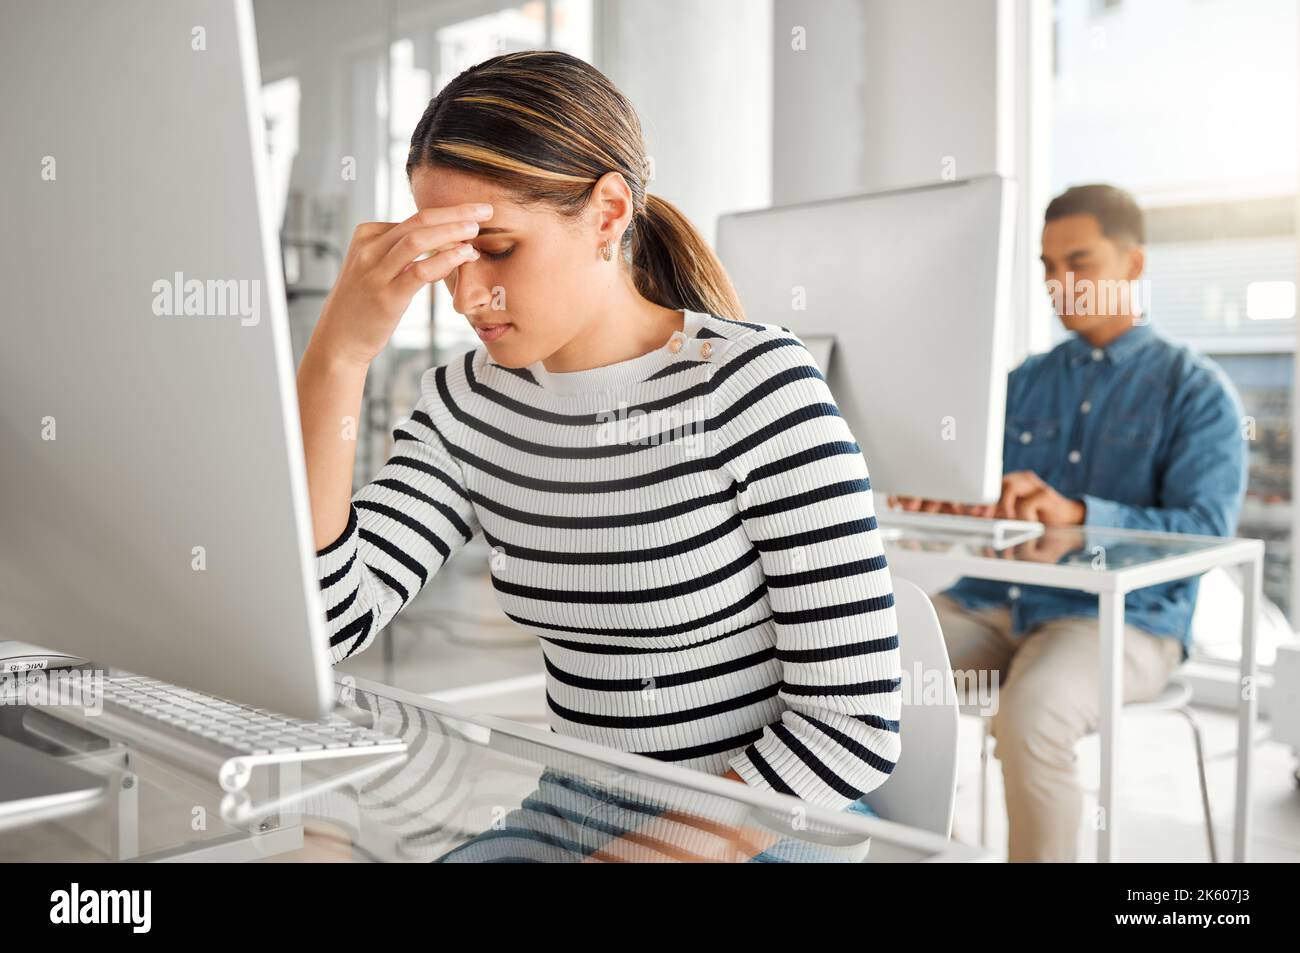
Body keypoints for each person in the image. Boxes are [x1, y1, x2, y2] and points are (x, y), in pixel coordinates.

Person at [294, 50, 901, 851]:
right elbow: (330, 621)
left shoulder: (755, 386)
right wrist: (338, 354)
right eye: (445, 257)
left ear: (608, 213)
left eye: (499, 248)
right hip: (574, 810)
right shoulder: (466, 403)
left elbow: (851, 724)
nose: (467, 295)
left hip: (757, 823)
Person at [891, 183, 1248, 862]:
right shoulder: (1020, 382)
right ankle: (928, 851)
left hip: (1124, 620)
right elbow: (975, 494)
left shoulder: (1196, 392)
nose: (1059, 283)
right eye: (1047, 267)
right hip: (993, 605)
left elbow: (1205, 529)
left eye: (1078, 262)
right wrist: (942, 499)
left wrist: (1081, 517)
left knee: (1030, 716)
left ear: (1133, 265)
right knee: (870, 674)